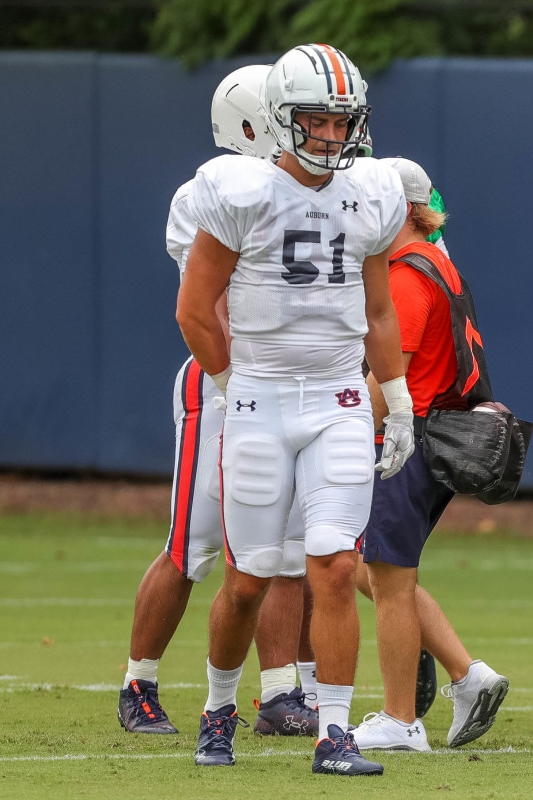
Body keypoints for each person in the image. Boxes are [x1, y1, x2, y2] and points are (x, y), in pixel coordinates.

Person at [176, 43, 414, 776]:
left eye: (343, 121)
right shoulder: (239, 190)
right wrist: (229, 382)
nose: (333, 135)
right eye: (317, 119)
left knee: (336, 566)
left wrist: (397, 396)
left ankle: (333, 732)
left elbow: (377, 308)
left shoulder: (372, 192)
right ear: (282, 118)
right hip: (262, 397)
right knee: (248, 577)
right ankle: (219, 707)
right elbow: (193, 307)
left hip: (340, 399)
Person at [118, 64, 318, 739]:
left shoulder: (307, 189)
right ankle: (138, 683)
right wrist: (237, 382)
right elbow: (209, 303)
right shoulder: (213, 190)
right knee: (194, 547)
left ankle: (281, 692)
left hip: (290, 382)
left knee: (286, 550)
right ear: (255, 125)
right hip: (223, 380)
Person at [347, 158, 509, 753]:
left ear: (404, 211)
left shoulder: (407, 275)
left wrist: (342, 436)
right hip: (427, 435)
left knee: (387, 580)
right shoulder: (436, 262)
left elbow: (391, 374)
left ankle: (401, 719)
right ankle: (467, 675)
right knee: (383, 573)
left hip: (402, 439)